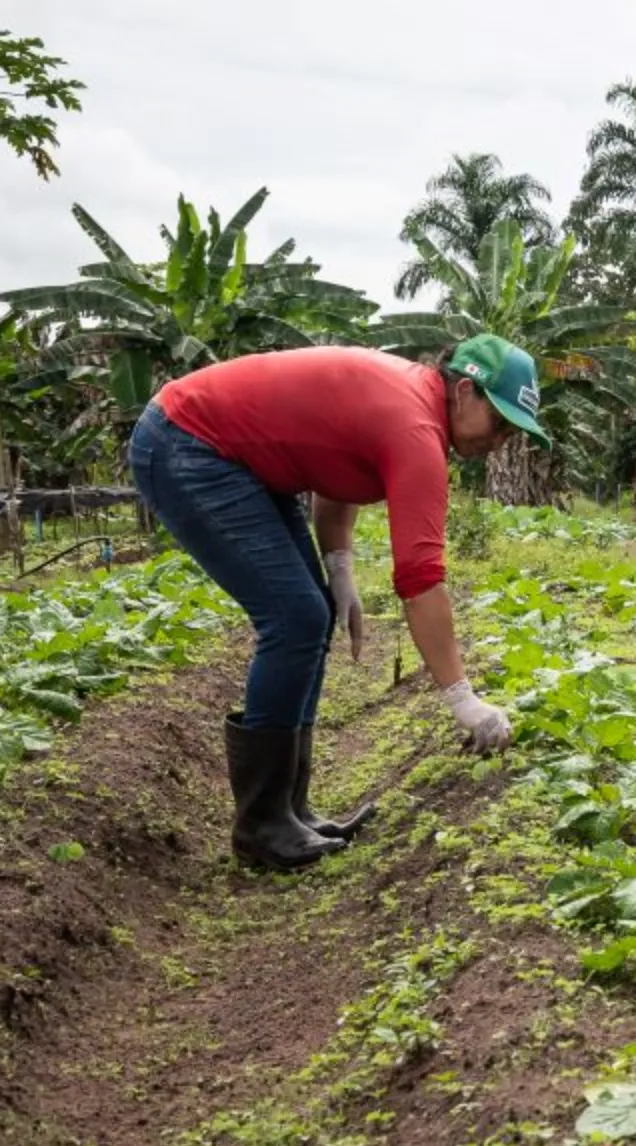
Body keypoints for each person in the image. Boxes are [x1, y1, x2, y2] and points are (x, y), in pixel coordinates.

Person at [129, 336, 546, 871]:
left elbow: (336, 463)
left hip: (224, 451)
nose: (503, 441)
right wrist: (464, 702)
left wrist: (340, 571)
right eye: (502, 423)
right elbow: (420, 579)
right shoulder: (417, 428)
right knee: (294, 617)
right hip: (187, 441)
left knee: (310, 613)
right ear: (465, 391)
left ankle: (289, 810)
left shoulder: (413, 403)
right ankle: (261, 825)